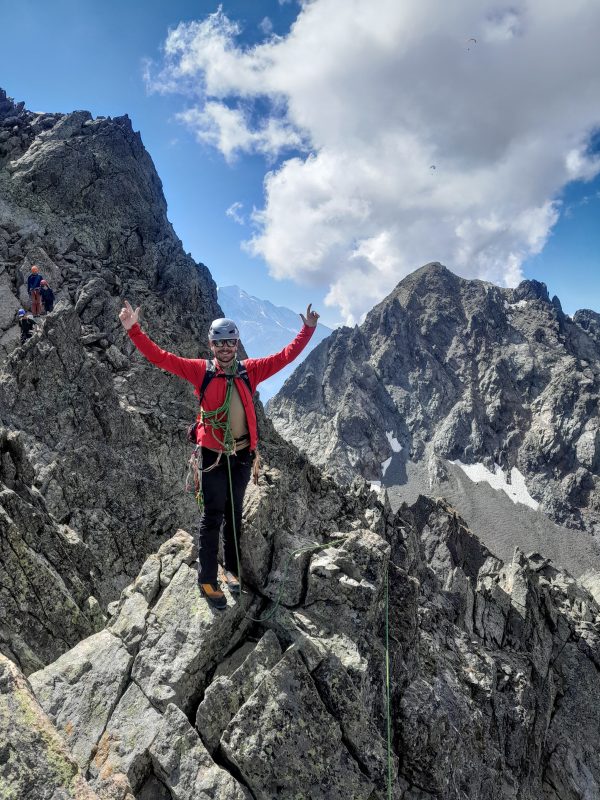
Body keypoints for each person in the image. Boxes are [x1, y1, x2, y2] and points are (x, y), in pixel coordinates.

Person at [119, 300, 319, 609]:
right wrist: (133, 329)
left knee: (234, 516)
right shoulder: (202, 371)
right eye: (220, 342)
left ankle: (232, 572)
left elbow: (285, 357)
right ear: (211, 345)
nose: (226, 347)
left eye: (231, 342)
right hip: (212, 456)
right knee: (212, 517)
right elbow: (160, 358)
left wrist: (307, 330)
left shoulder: (249, 370)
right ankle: (207, 579)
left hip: (240, 456)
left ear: (237, 344)